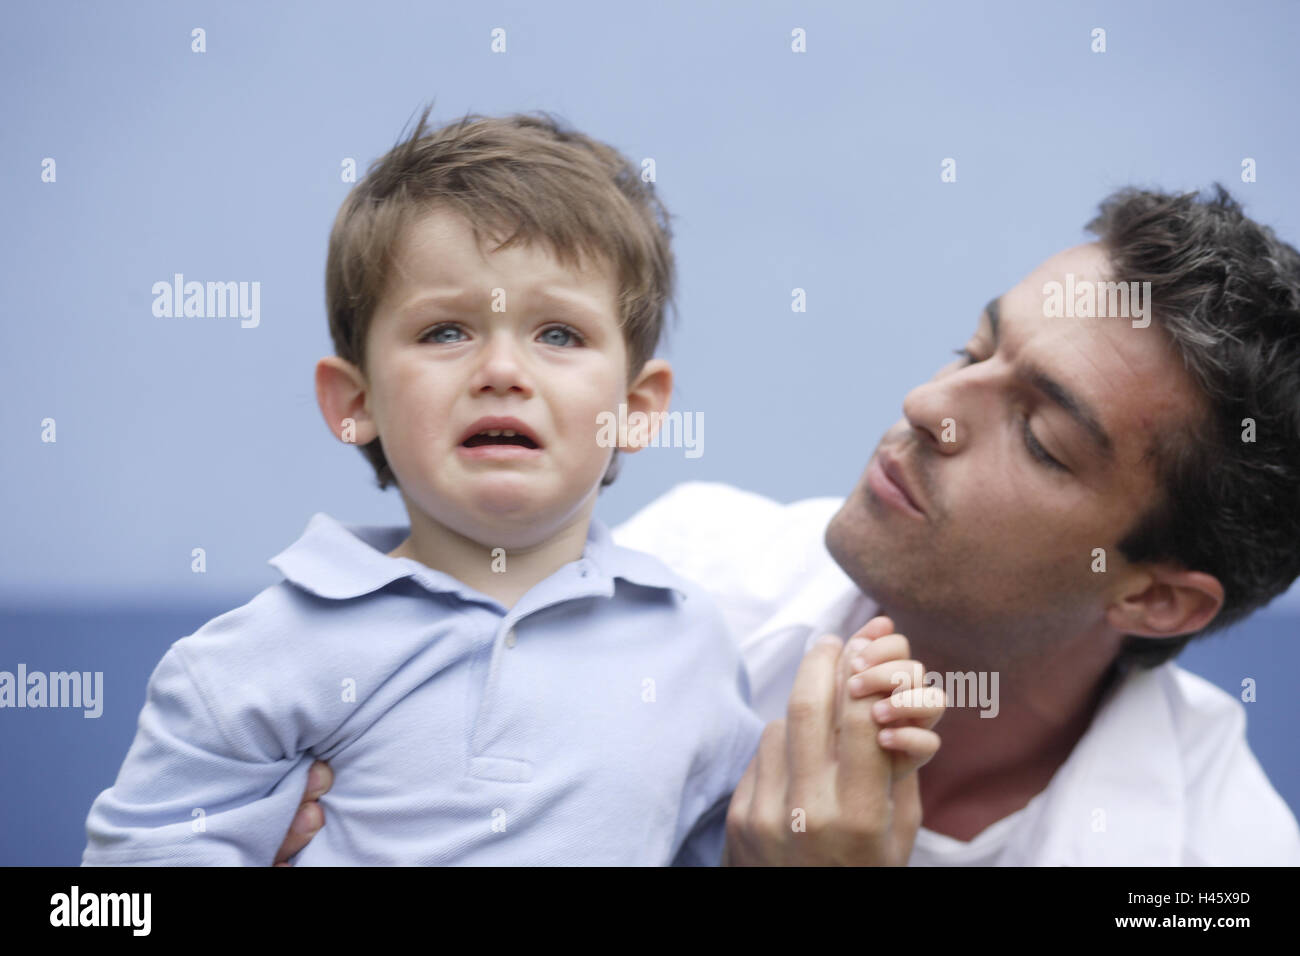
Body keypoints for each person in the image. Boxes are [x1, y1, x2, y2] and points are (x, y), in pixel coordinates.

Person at [281, 183, 1300, 865]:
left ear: (1155, 596)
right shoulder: (674, 576)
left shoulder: (1218, 866)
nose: (925, 403)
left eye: (1037, 436)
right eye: (970, 347)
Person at [81, 107, 940, 867]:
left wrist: (856, 736)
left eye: (558, 333)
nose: (501, 369)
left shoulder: (690, 642)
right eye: (446, 329)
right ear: (356, 403)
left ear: (637, 410)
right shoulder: (253, 659)